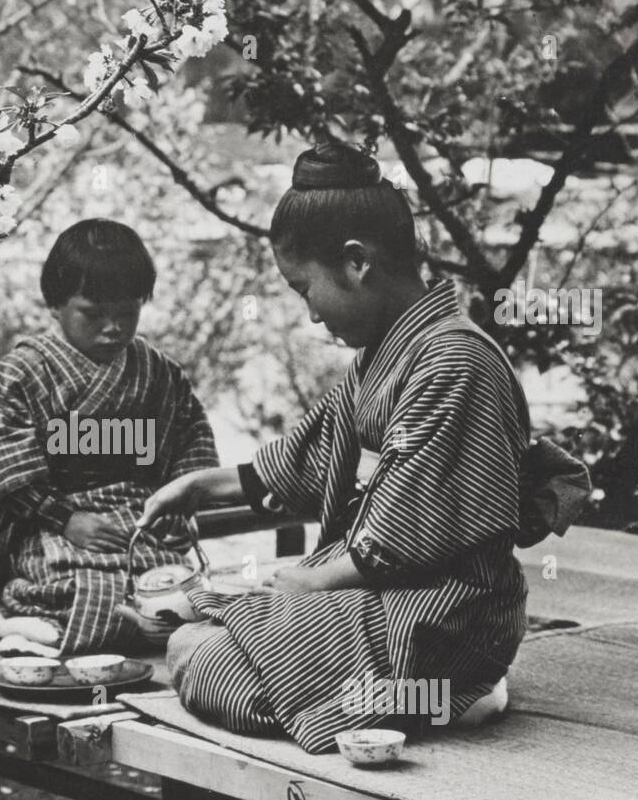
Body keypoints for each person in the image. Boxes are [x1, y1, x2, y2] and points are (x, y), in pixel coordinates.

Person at [140, 139, 533, 753]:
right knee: (188, 635)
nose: (313, 315)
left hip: (441, 617)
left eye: (304, 290)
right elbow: (307, 457)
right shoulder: (382, 354)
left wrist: (297, 587)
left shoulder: (456, 360)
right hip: (379, 594)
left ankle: (457, 692)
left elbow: (404, 539)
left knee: (203, 663)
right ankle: (427, 697)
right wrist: (197, 487)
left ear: (356, 263)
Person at [0, 218, 218, 655]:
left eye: (127, 313)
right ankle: (20, 611)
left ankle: (57, 626)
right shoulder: (25, 370)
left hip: (133, 518)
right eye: (93, 314)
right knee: (81, 589)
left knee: (172, 589)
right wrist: (64, 518)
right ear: (55, 304)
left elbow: (191, 439)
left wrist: (177, 502)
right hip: (48, 521)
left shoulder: (156, 372)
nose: (113, 329)